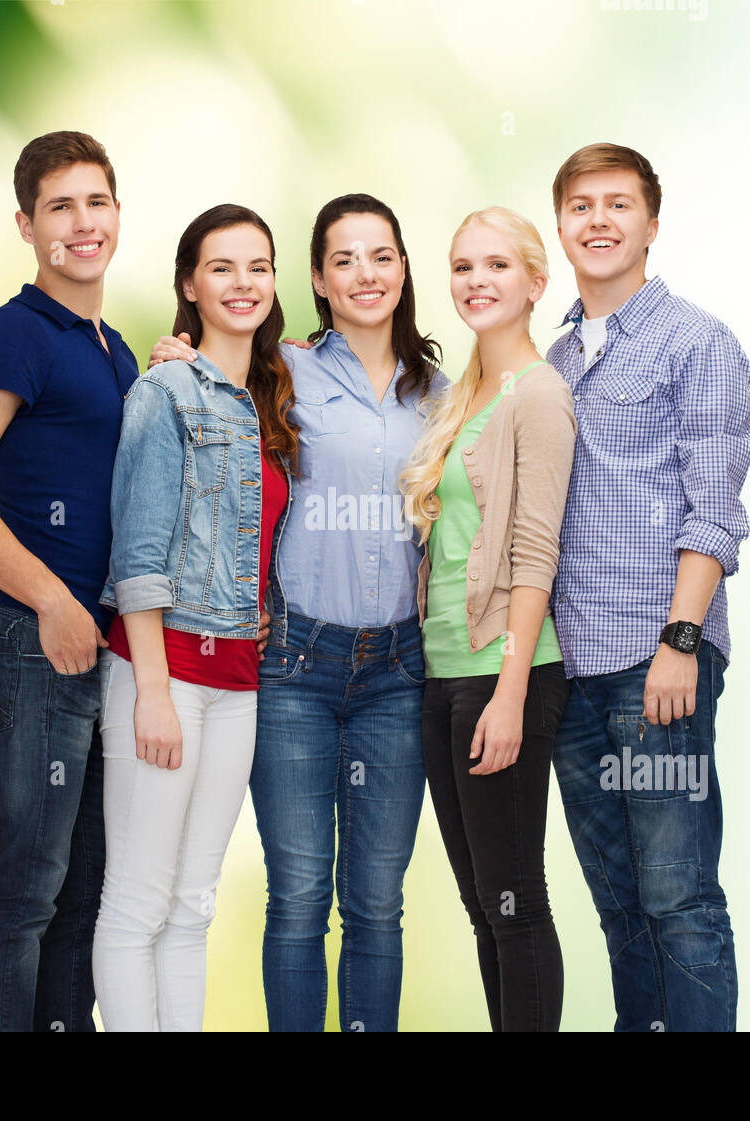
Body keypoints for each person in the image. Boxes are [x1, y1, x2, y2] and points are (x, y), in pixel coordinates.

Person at [150, 194, 446, 1031]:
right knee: (300, 895)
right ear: (316, 278)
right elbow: (196, 384)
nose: (365, 274)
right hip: (294, 669)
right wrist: (172, 354)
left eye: (381, 255)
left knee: (377, 902)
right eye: (343, 259)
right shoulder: (277, 368)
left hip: (399, 670)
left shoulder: (443, 394)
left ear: (401, 269)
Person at [0, 131, 138, 1031]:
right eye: (60, 207)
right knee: (23, 891)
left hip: (90, 642)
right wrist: (51, 598)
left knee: (81, 892)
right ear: (25, 225)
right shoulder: (1, 336)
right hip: (28, 637)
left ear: (118, 213)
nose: (83, 224)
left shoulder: (112, 348)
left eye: (97, 202)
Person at [545, 143, 750, 1032]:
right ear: (560, 226)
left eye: (618, 204)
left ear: (652, 225)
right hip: (573, 669)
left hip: (655, 659)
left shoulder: (698, 343)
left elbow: (714, 509)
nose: (598, 220)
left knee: (680, 901)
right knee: (621, 906)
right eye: (581, 206)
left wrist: (680, 642)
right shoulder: (553, 358)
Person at [92, 204, 297, 1032]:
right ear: (190, 285)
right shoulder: (165, 391)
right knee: (137, 899)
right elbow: (137, 554)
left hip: (238, 682)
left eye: (258, 266)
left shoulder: (269, 403)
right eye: (222, 267)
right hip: (165, 670)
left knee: (192, 904)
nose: (242, 283)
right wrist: (150, 690)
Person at [401, 207, 575, 1032]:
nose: (477, 281)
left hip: (503, 675)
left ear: (536, 283)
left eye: (497, 266)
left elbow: (537, 553)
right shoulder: (463, 392)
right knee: (482, 904)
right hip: (442, 676)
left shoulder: (538, 394)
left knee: (515, 902)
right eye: (464, 266)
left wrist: (508, 693)